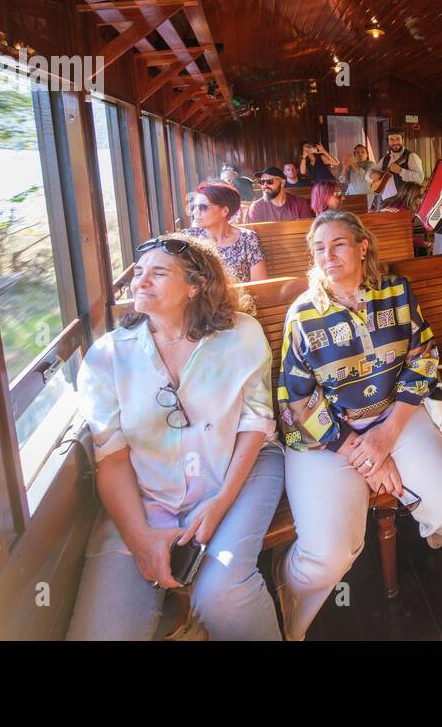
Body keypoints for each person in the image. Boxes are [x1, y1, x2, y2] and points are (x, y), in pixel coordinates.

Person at [67, 233, 284, 640]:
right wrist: (139, 537)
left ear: (195, 285)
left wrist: (219, 505)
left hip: (237, 472)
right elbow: (111, 458)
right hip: (147, 494)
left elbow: (255, 423)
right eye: (138, 273)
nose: (140, 282)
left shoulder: (241, 335)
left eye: (158, 273)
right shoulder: (107, 356)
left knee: (223, 597)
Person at [275, 211, 442, 640]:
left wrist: (386, 434)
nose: (327, 255)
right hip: (328, 436)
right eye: (318, 248)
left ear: (363, 246)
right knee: (331, 555)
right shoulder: (304, 314)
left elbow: (423, 357)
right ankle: (290, 592)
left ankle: (440, 527)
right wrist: (366, 456)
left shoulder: (396, 291)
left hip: (394, 413)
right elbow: (298, 399)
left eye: (338, 244)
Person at [183, 181, 268, 282]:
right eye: (194, 207)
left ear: (224, 211)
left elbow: (259, 284)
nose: (195, 212)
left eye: (202, 207)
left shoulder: (248, 239)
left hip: (241, 297)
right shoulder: (190, 238)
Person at [246, 167, 313, 222]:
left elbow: (306, 233)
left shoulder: (300, 204)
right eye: (262, 182)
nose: (265, 185)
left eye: (269, 181)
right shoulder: (256, 208)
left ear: (282, 183)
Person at [373, 129, 425, 198]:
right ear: (388, 142)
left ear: (402, 140)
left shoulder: (411, 156)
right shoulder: (385, 158)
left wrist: (401, 171)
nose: (395, 142)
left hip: (404, 201)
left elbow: (419, 178)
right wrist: (371, 175)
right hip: (386, 200)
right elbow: (371, 172)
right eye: (391, 139)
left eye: (397, 138)